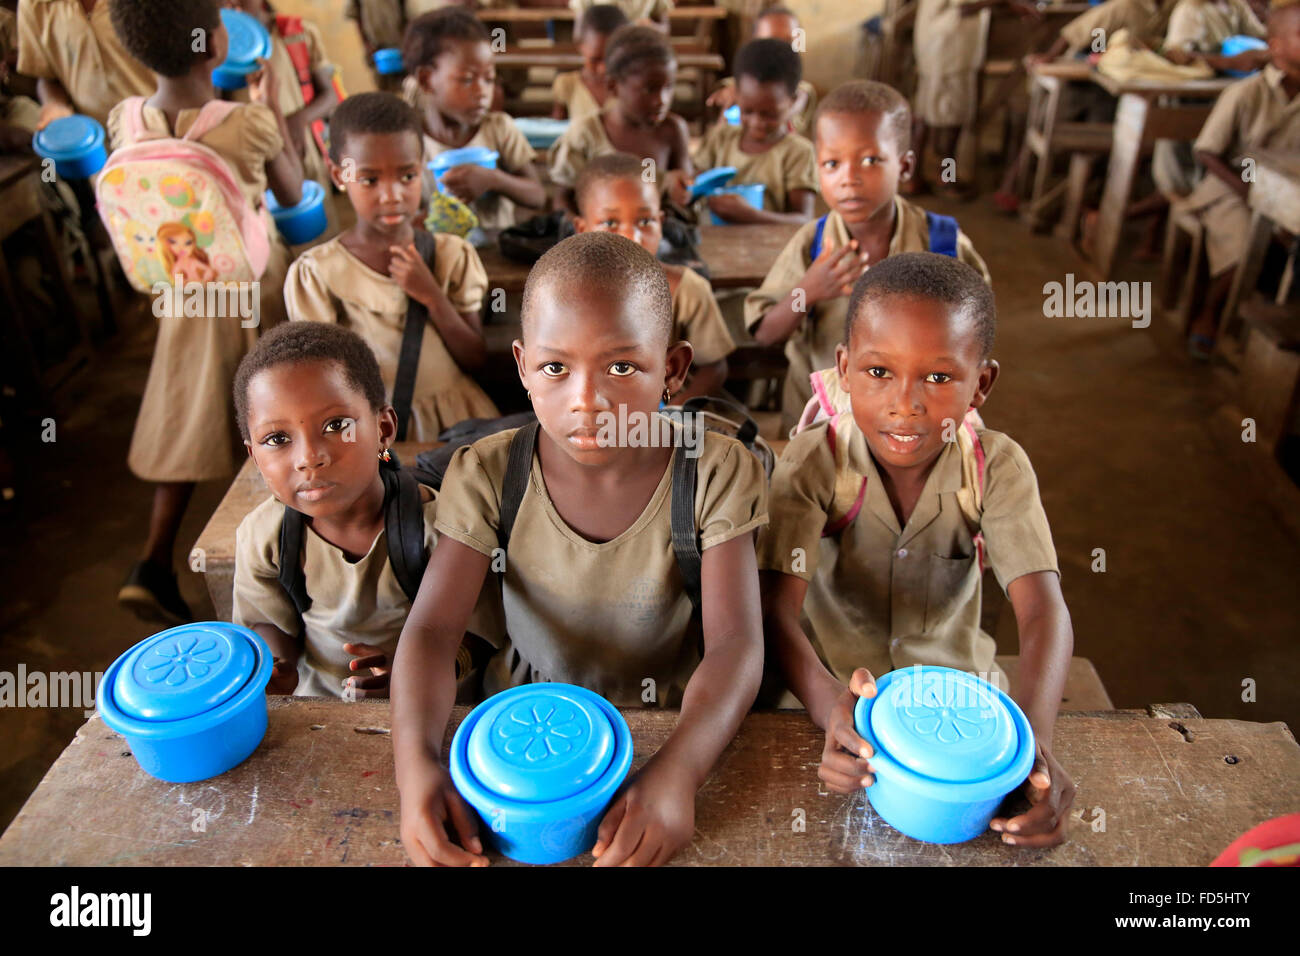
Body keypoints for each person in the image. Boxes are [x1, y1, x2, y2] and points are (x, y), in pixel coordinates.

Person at [391, 232, 768, 867]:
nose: (586, 399)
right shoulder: (485, 472)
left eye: (622, 367)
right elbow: (430, 630)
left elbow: (737, 643)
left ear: (673, 369)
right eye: (555, 367)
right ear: (522, 366)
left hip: (670, 722)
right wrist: (415, 770)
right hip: (519, 735)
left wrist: (679, 772)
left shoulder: (715, 469)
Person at [760, 251, 1076, 848]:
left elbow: (1043, 612)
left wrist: (1032, 753)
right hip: (823, 705)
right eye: (879, 372)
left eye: (938, 377)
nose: (906, 403)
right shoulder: (815, 461)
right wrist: (834, 709)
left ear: (980, 384)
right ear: (846, 369)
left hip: (959, 720)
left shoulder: (995, 467)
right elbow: (773, 611)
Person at [107, 0, 304, 624]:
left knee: (189, 421)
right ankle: (282, 566)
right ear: (219, 44)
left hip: (184, 299)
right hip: (252, 292)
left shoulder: (124, 118)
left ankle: (154, 561)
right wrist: (270, 109)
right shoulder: (245, 123)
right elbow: (294, 193)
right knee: (277, 415)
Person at [745, 81, 990, 432]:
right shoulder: (812, 243)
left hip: (917, 423)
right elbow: (766, 334)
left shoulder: (943, 244)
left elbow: (979, 336)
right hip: (821, 425)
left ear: (904, 167)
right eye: (832, 163)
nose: (850, 179)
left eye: (871, 160)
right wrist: (808, 291)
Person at [232, 321, 438, 699]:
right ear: (254, 458)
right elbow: (267, 621)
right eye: (277, 439)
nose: (309, 458)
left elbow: (476, 637)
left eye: (336, 425)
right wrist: (277, 665)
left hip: (434, 702)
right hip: (319, 704)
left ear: (384, 428)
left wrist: (419, 672)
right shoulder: (264, 536)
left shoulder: (437, 530)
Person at [285, 92, 497, 440]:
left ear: (422, 167)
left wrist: (432, 296)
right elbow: (321, 379)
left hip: (453, 421)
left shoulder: (450, 255)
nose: (392, 194)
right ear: (339, 175)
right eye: (370, 180)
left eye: (407, 176)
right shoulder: (319, 273)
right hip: (371, 430)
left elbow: (475, 358)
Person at [1179, 0, 1300, 357]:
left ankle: (1272, 324)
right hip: (1230, 188)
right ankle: (1210, 313)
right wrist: (1246, 191)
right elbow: (1206, 151)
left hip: (1287, 192)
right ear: (1274, 46)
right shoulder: (1246, 93)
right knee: (1247, 245)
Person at [574, 152, 734, 401]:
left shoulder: (687, 289)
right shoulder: (568, 292)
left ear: (661, 222)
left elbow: (715, 368)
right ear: (582, 230)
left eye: (645, 221)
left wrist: (671, 413)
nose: (633, 237)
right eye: (610, 223)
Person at [401, 7, 545, 232]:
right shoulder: (409, 141)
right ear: (427, 80)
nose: (482, 92)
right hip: (441, 256)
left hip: (499, 253)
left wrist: (494, 179)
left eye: (489, 79)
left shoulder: (499, 128)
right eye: (467, 79)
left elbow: (537, 196)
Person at [225, 0, 343, 238]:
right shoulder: (215, 46)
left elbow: (330, 96)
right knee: (273, 235)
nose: (233, 2)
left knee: (322, 227)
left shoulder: (299, 33)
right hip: (254, 160)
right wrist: (202, 39)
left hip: (304, 150)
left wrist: (299, 120)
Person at [548, 23, 692, 212]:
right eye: (650, 89)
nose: (661, 100)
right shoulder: (585, 134)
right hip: (596, 237)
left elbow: (686, 193)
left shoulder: (672, 130)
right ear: (613, 86)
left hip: (654, 235)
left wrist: (682, 189)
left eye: (669, 87)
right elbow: (563, 200)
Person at [691, 37, 818, 225]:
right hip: (715, 246)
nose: (757, 122)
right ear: (737, 96)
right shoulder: (720, 139)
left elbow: (804, 220)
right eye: (747, 111)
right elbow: (693, 186)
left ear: (793, 102)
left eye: (770, 114)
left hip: (771, 251)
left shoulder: (798, 152)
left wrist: (752, 217)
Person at [16, 0, 152, 128]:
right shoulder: (34, 5)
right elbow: (47, 77)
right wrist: (55, 104)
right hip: (96, 140)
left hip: (159, 127)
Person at [706, 6, 818, 138]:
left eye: (789, 42)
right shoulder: (736, 85)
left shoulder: (803, 91)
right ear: (754, 44)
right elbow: (721, 96)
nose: (781, 51)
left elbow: (799, 100)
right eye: (771, 42)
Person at [551, 3, 628, 120]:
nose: (603, 69)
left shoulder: (631, 86)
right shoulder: (567, 85)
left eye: (611, 59)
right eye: (595, 59)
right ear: (580, 46)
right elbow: (556, 131)